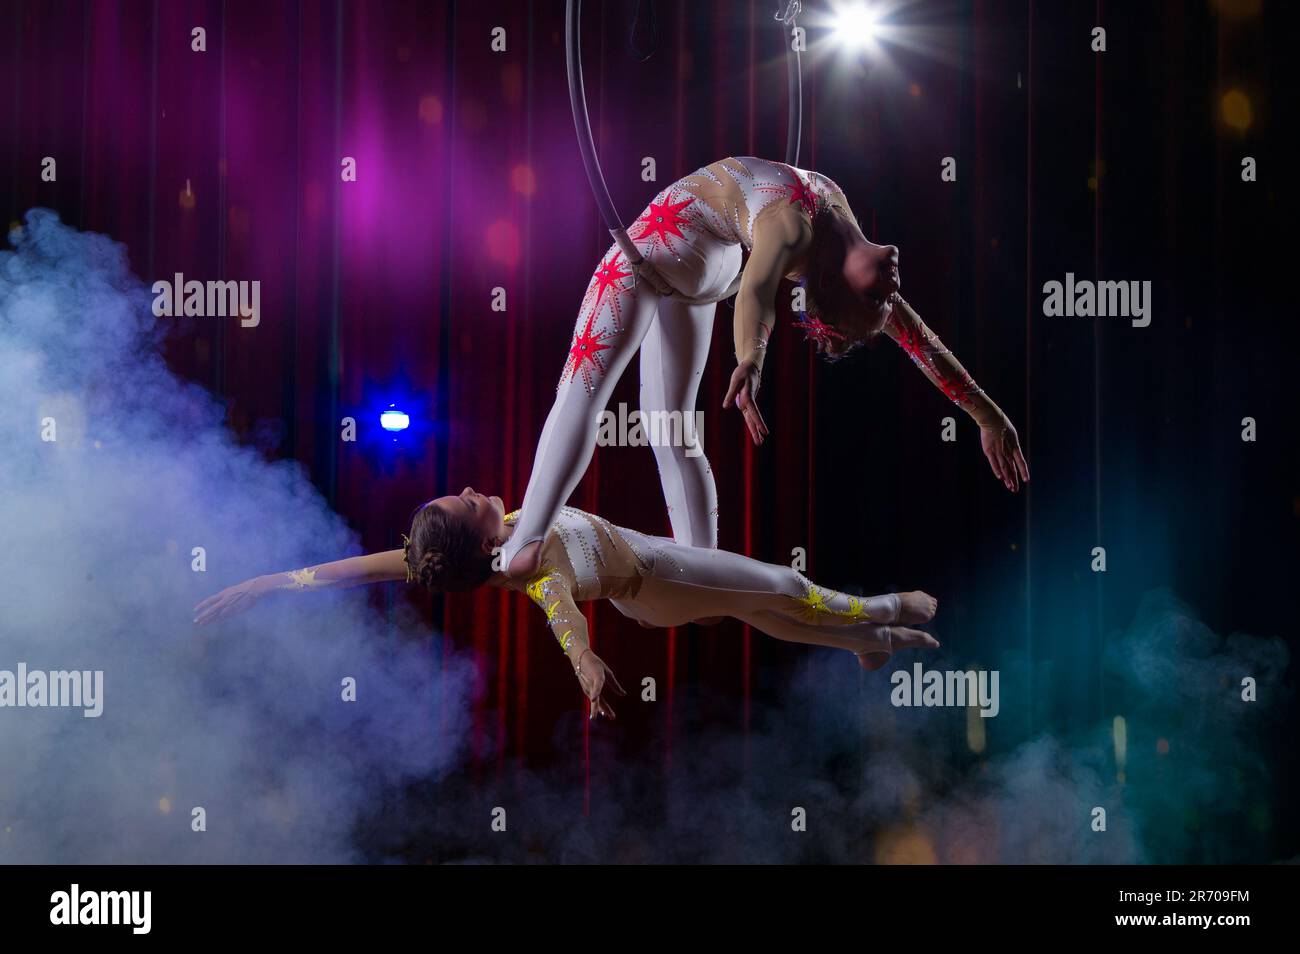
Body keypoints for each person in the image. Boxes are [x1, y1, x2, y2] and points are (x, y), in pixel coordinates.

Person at [500, 156, 1029, 581]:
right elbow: (919, 338)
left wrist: (751, 360)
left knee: (581, 396)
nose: (894, 295)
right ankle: (700, 563)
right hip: (699, 269)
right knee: (670, 427)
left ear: (834, 287)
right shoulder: (830, 225)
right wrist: (987, 415)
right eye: (886, 301)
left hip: (657, 253)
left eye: (880, 300)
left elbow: (758, 292)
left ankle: (527, 543)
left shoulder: (797, 229)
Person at [194, 488, 941, 720]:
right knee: (783, 587)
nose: (466, 487)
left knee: (758, 609)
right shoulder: (529, 562)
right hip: (657, 578)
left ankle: (863, 643)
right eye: (462, 502)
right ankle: (885, 608)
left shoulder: (467, 558)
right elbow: (561, 613)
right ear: (481, 540)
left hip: (651, 583)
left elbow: (362, 570)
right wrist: (583, 660)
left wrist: (268, 585)